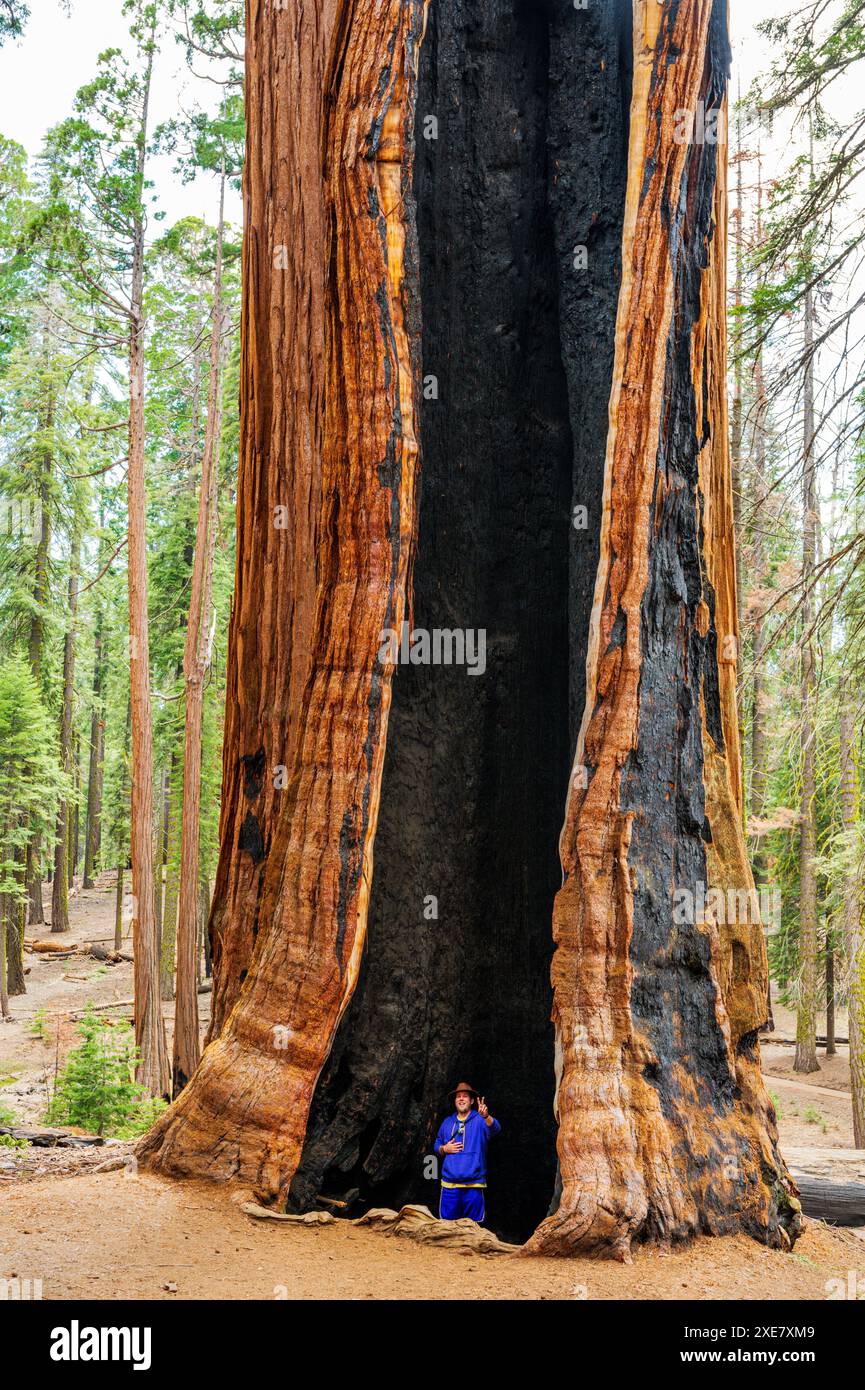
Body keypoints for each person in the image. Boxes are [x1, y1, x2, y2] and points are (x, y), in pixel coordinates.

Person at [433, 1081, 500, 1224]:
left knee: (473, 1227)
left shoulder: (480, 1120)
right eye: (458, 1097)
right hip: (450, 1186)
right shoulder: (447, 1122)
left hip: (473, 1185)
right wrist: (444, 1148)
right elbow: (436, 1144)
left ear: (471, 1101)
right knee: (447, 1226)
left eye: (465, 1096)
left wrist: (486, 1116)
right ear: (455, 1101)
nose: (461, 1099)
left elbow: (496, 1129)